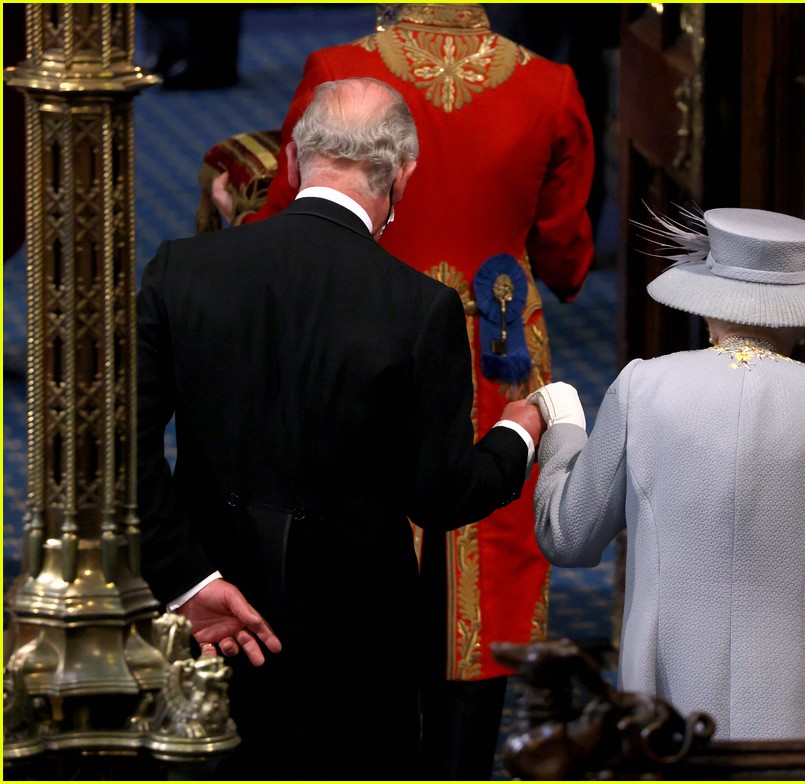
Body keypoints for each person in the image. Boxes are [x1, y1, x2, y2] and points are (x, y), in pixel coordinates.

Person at [209, 6, 595, 776]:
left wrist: (235, 215)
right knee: (489, 568)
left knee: (354, 536)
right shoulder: (550, 85)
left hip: (361, 341)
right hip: (499, 355)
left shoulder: (335, 68)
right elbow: (567, 259)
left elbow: (297, 221)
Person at [137, 77, 542, 780]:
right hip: (358, 641)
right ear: (403, 176)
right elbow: (441, 494)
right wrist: (521, 432)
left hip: (206, 627)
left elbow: (121, 447)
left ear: (295, 159)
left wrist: (189, 580)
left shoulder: (183, 270)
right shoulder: (420, 310)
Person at [528, 207, 805, 740]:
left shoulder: (644, 387)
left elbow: (567, 536)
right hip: (803, 728)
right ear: (801, 317)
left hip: (665, 724)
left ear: (708, 308)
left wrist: (565, 427)